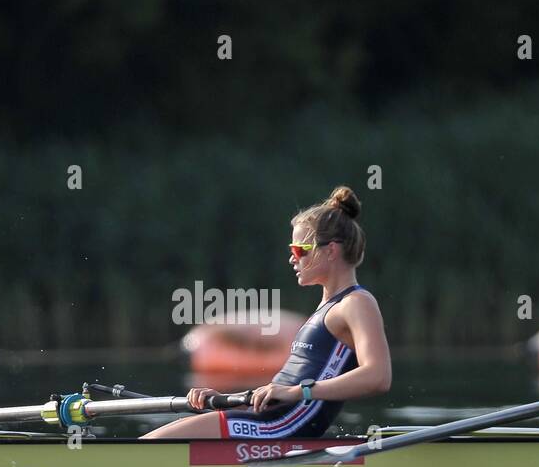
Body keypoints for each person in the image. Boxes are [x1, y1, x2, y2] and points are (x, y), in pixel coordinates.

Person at [143, 186, 391, 439]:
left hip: (284, 427)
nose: (292, 259)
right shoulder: (325, 309)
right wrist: (230, 401)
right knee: (152, 441)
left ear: (330, 250)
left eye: (299, 250)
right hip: (272, 420)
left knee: (151, 444)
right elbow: (285, 388)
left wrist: (300, 392)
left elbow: (378, 376)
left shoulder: (356, 303)